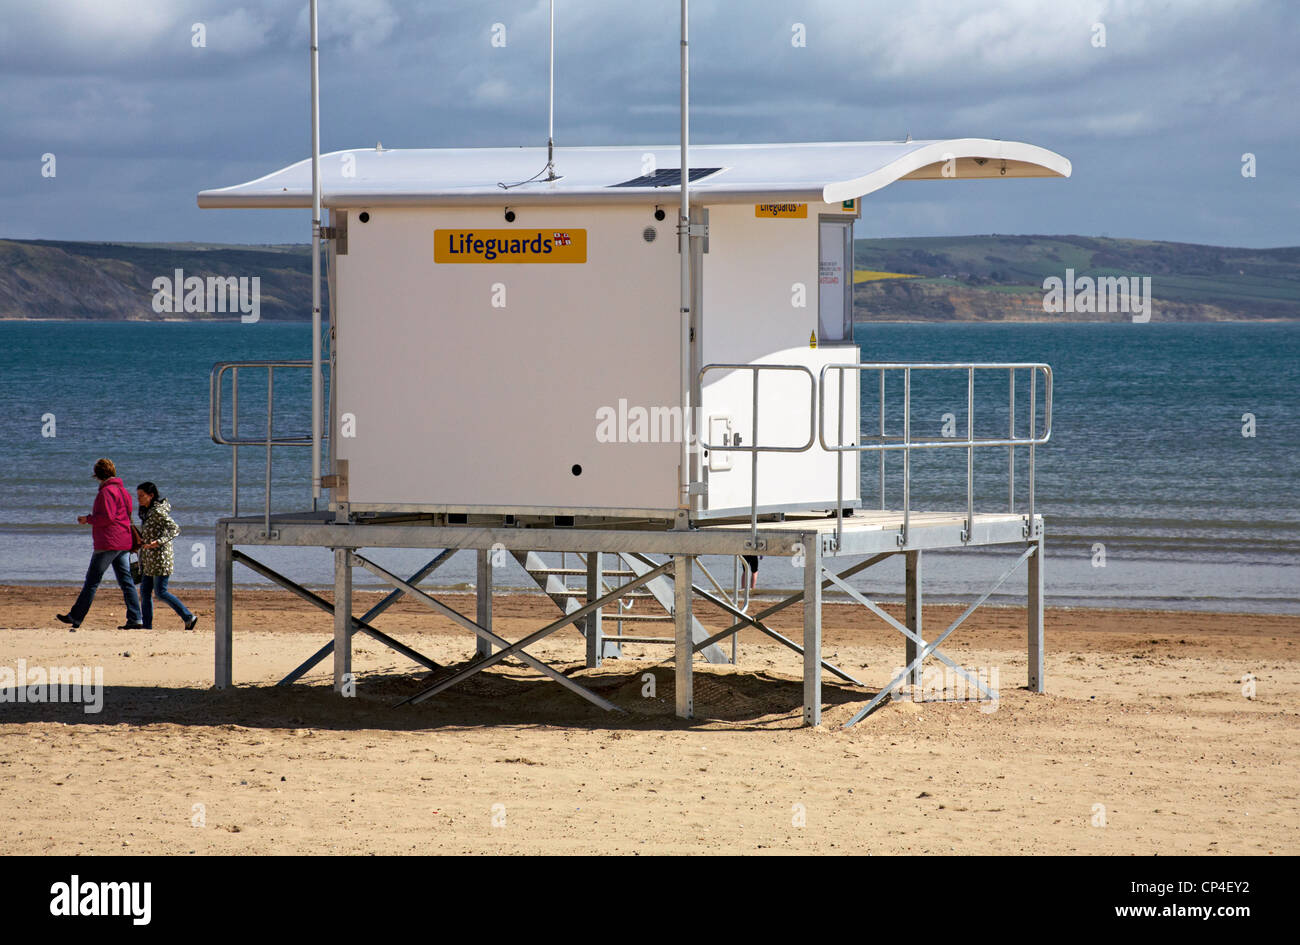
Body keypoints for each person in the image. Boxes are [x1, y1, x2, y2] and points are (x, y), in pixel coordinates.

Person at [57, 458, 144, 630]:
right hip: (123, 542)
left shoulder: (106, 492)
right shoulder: (123, 491)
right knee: (126, 582)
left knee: (92, 581)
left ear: (97, 475)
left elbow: (108, 518)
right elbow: (124, 516)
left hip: (108, 542)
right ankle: (136, 618)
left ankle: (76, 616)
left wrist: (88, 519)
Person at [135, 481, 198, 631]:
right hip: (148, 559)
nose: (138, 499)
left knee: (160, 592)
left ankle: (188, 617)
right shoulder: (147, 511)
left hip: (160, 559)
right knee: (144, 592)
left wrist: (159, 542)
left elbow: (175, 529)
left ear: (151, 496)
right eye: (137, 496)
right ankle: (147, 626)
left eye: (141, 496)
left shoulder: (157, 511)